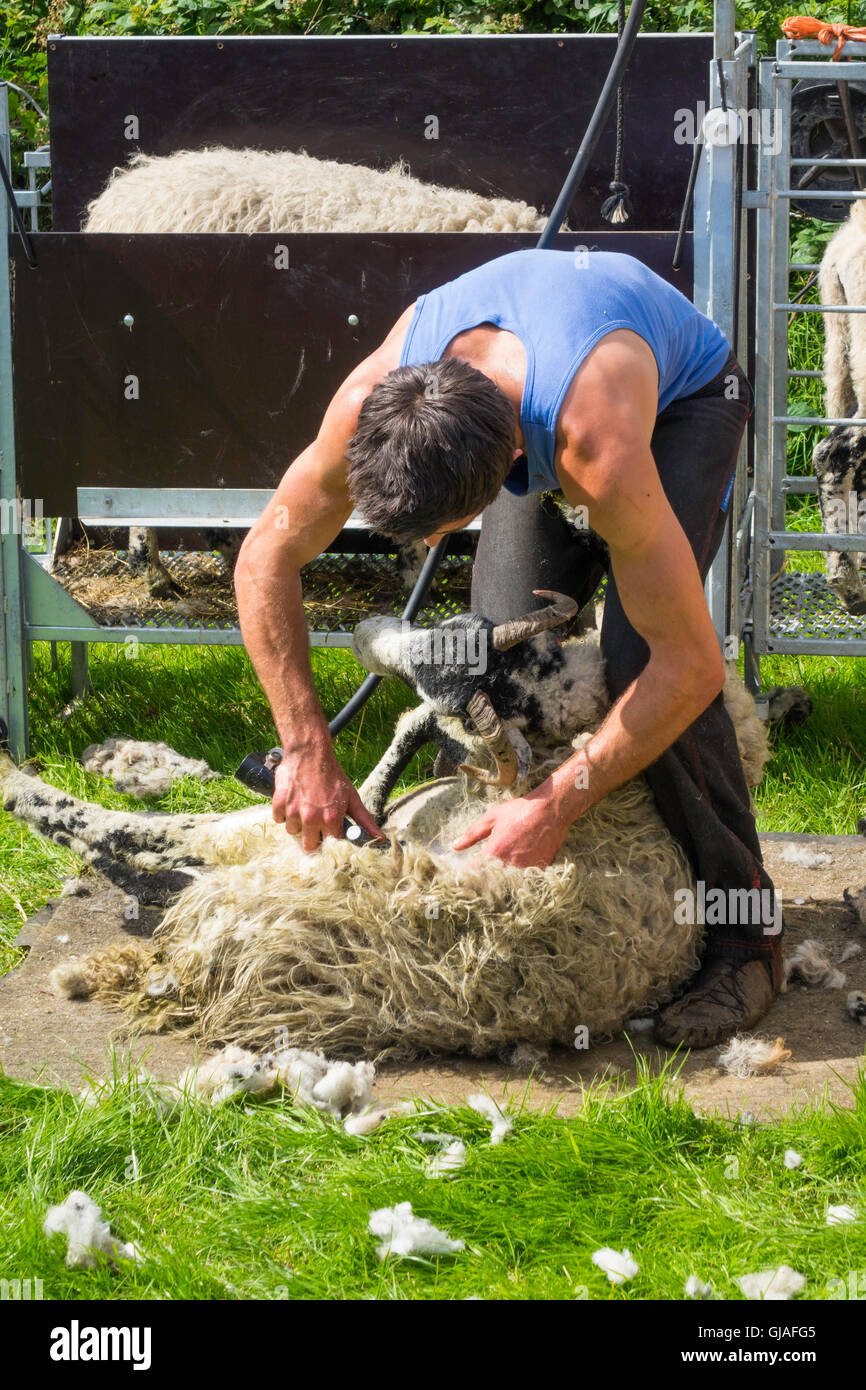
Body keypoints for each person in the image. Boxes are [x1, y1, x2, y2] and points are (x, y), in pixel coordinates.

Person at [234, 247, 782, 1048]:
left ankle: (745, 931)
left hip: (687, 393)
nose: (429, 550)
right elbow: (264, 557)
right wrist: (305, 746)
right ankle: (489, 872)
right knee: (494, 654)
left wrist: (559, 797)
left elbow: (690, 666)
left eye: (441, 534)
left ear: (507, 473)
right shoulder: (367, 403)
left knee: (640, 653)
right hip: (536, 382)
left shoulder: (594, 439)